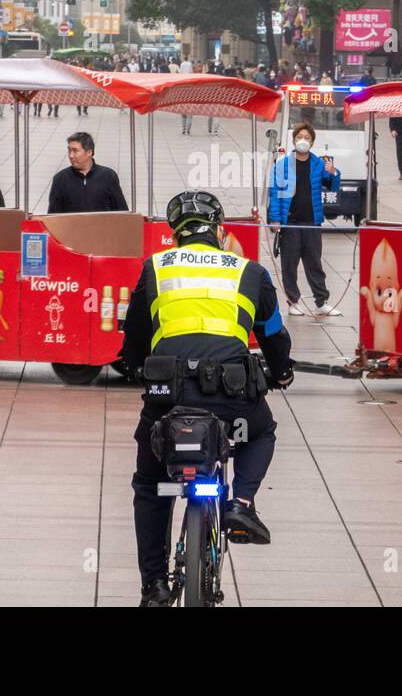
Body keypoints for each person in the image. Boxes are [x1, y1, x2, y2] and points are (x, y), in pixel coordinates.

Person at [121, 190, 294, 606]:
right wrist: (281, 371)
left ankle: (154, 585)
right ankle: (241, 503)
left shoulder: (156, 268)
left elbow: (135, 335)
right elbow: (273, 334)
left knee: (151, 484)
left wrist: (134, 365)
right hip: (231, 398)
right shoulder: (249, 271)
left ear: (175, 235)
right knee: (262, 432)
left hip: (168, 398)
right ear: (219, 232)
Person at [267, 123, 342, 316]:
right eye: (300, 137)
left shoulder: (318, 164)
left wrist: (334, 173)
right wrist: (275, 219)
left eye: (307, 138)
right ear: (293, 141)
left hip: (312, 222)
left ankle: (321, 302)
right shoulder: (283, 164)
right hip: (290, 222)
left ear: (312, 142)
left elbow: (333, 187)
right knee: (289, 265)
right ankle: (293, 302)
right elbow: (274, 192)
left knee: (314, 263)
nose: (303, 141)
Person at [47, 131, 129, 213]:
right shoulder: (60, 179)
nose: (71, 155)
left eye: (75, 151)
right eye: (69, 150)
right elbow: (53, 216)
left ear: (89, 152)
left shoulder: (108, 176)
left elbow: (122, 213)